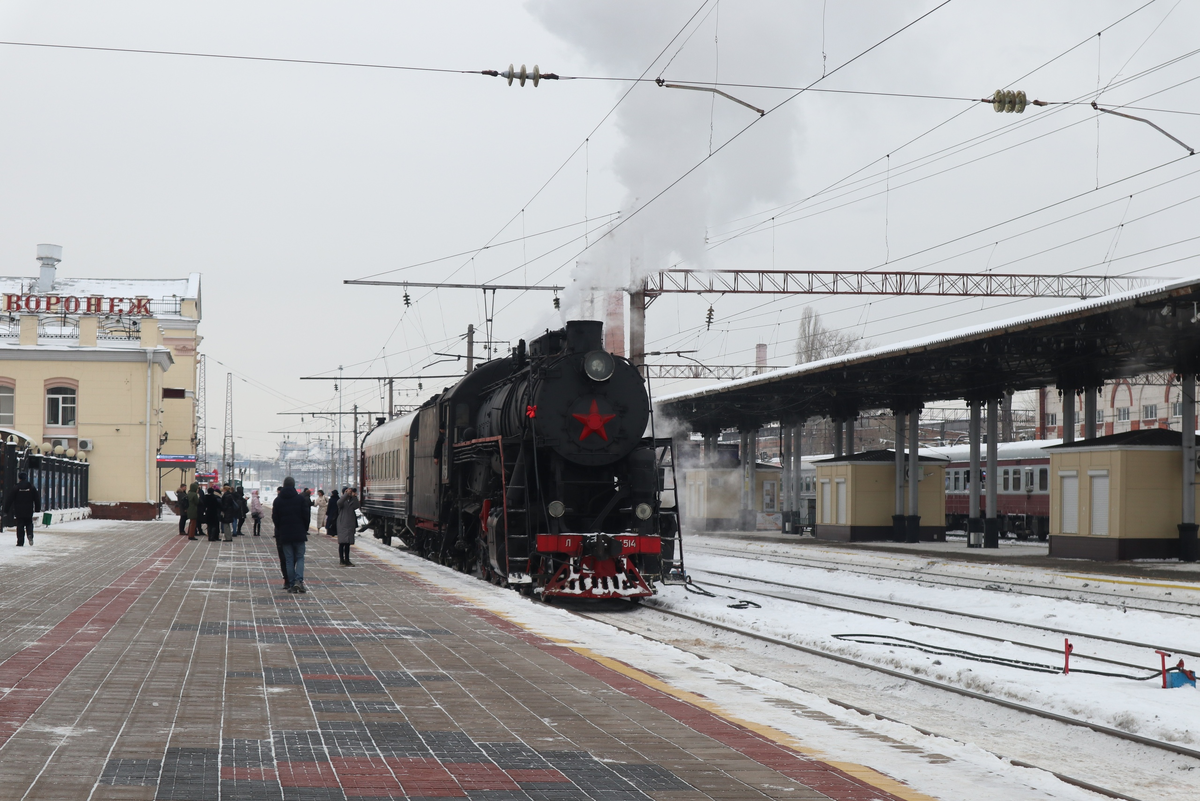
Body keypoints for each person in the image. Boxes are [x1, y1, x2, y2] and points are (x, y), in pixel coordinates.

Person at [272, 476, 309, 593]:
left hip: (285, 534)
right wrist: (304, 529)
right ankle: (299, 581)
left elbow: (275, 518)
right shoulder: (300, 499)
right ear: (293, 485)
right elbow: (306, 516)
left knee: (288, 559)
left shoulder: (278, 500)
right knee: (300, 557)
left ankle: (291, 583)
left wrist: (281, 529)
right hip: (299, 533)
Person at [4, 472, 41, 547]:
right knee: (29, 523)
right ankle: (30, 534)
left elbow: (10, 499)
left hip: (19, 510)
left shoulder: (16, 487)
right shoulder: (31, 487)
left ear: (19, 478)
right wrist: (37, 508)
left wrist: (6, 510)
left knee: (20, 525)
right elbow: (36, 498)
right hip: (29, 509)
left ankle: (20, 542)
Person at [336, 487, 360, 566]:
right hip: (342, 523)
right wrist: (346, 494)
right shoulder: (342, 500)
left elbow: (357, 506)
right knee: (342, 543)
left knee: (347, 544)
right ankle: (341, 560)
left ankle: (347, 560)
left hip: (350, 523)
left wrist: (354, 496)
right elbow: (339, 503)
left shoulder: (352, 500)